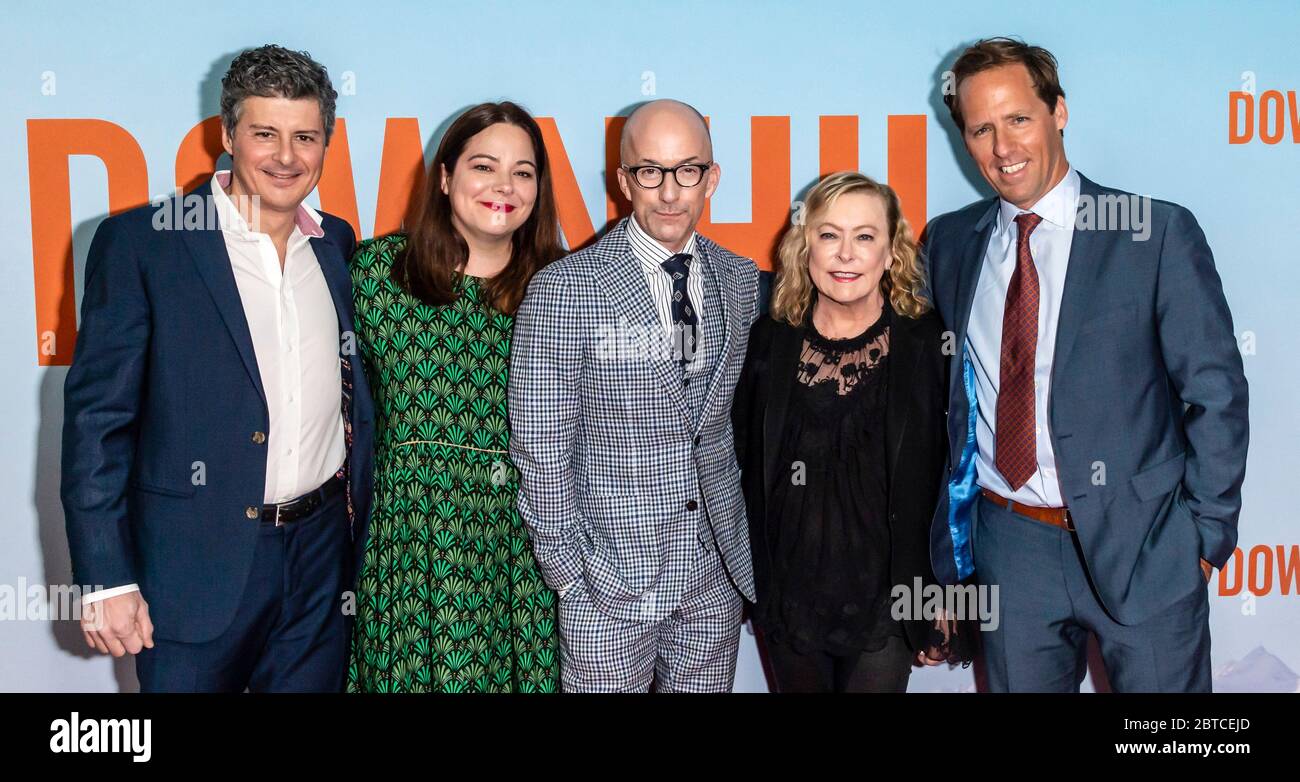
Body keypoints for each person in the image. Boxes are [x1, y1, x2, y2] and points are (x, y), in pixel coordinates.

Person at [925, 38, 1248, 692]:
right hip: (1010, 549)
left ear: (1059, 112)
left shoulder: (1153, 233)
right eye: (981, 129)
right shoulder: (949, 244)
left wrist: (1202, 540)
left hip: (1146, 545)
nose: (1003, 147)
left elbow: (1216, 394)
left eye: (1019, 118)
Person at [62, 45, 373, 692]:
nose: (286, 156)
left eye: (305, 137)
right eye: (265, 134)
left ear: (325, 144)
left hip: (320, 565)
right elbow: (97, 422)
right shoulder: (143, 244)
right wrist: (106, 578)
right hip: (191, 567)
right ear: (227, 135)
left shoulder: (336, 244)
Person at [509, 99, 760, 692]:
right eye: (650, 171)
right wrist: (572, 578)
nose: (669, 192)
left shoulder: (741, 279)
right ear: (623, 181)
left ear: (712, 178)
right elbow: (540, 451)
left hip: (714, 581)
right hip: (606, 586)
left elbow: (735, 425)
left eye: (687, 170)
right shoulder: (564, 288)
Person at [346, 102, 564, 693]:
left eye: (523, 172)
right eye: (484, 166)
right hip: (407, 541)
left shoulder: (565, 290)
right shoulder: (375, 275)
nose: (504, 186)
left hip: (523, 546)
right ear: (445, 177)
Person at [733, 172, 970, 693]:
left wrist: (947, 591)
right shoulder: (769, 340)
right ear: (805, 247)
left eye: (864, 236)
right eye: (829, 235)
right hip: (789, 589)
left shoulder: (929, 343)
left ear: (890, 253)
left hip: (888, 593)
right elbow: (741, 459)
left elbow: (956, 471)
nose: (845, 254)